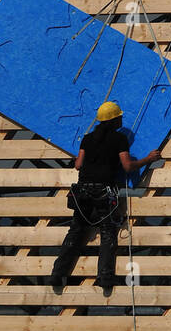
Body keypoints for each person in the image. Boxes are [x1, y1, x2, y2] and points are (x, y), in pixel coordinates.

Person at [50, 100, 160, 297]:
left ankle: (58, 274)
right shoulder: (119, 140)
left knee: (76, 231)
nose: (121, 120)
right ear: (113, 120)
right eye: (119, 117)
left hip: (82, 191)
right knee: (108, 233)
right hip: (104, 191)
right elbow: (127, 166)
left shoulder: (87, 138)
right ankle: (105, 278)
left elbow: (78, 165)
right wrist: (148, 159)